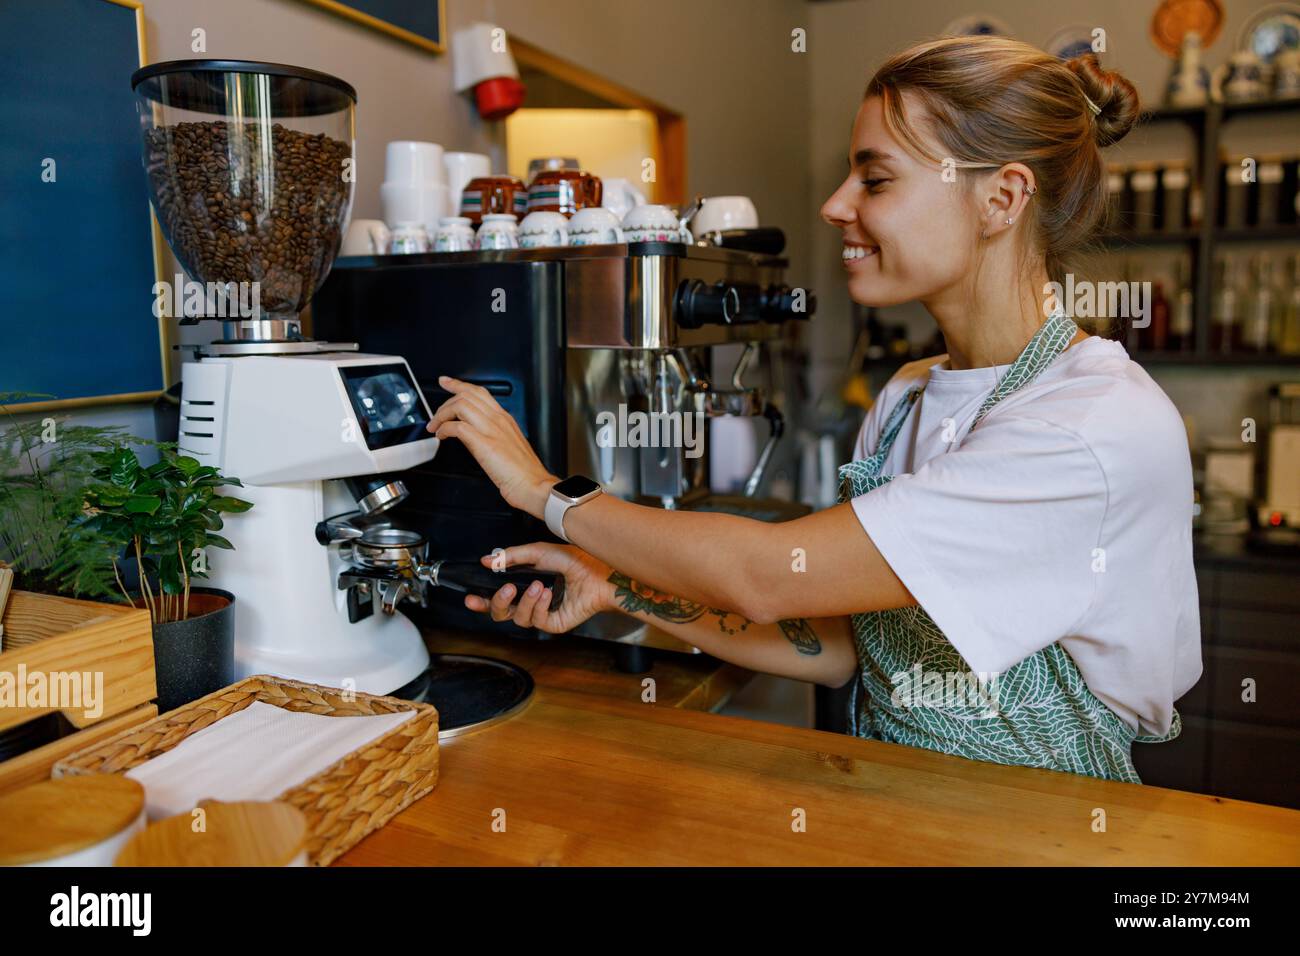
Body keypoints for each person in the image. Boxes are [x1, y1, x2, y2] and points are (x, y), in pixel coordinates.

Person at [425, 36, 1202, 782]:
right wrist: (617, 586)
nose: (834, 205)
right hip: (892, 806)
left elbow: (767, 576)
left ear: (1001, 196)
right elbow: (838, 646)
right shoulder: (905, 398)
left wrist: (544, 493)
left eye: (876, 179)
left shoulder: (1091, 428)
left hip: (1042, 827)